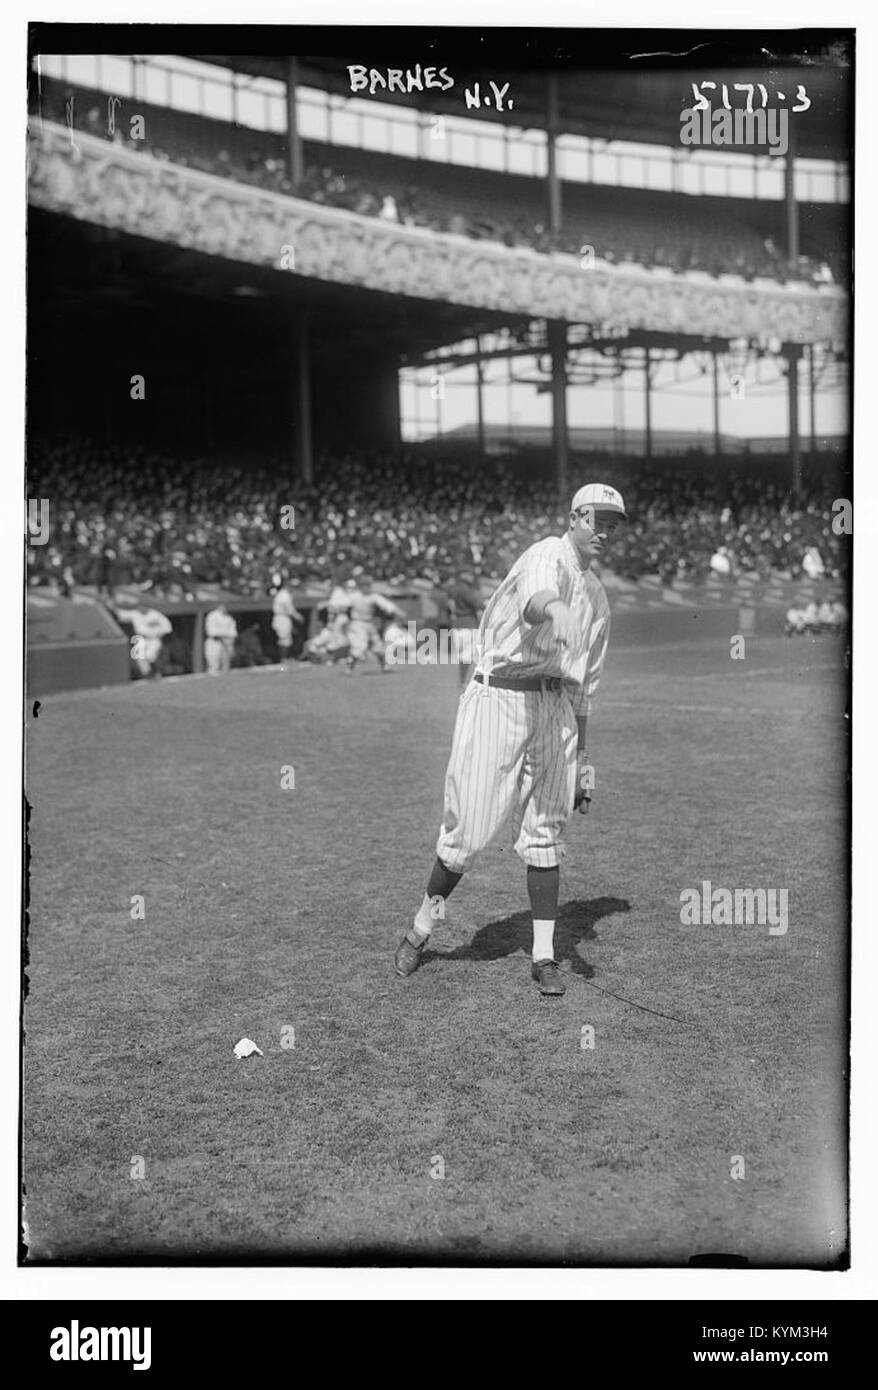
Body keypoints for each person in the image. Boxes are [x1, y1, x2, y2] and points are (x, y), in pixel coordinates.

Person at [395, 483, 625, 997]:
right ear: (574, 517)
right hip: (499, 697)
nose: (604, 531)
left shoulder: (598, 599)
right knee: (468, 832)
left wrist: (583, 759)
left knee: (546, 831)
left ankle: (544, 957)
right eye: (597, 519)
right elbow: (535, 599)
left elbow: (586, 688)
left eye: (613, 523)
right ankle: (421, 929)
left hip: (555, 707)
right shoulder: (546, 553)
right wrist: (555, 610)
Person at [344, 577, 404, 676]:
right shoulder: (353, 596)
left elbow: (386, 604)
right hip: (358, 623)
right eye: (365, 586)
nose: (367, 588)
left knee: (378, 645)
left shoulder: (373, 596)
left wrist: (398, 611)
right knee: (360, 647)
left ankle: (385, 666)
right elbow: (340, 604)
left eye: (368, 586)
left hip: (369, 623)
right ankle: (349, 668)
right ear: (360, 587)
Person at [125, 600, 173, 679]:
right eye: (140, 605)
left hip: (154, 639)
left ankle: (156, 673)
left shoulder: (155, 614)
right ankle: (146, 676)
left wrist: (157, 632)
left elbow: (168, 628)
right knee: (138, 656)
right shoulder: (135, 614)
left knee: (150, 655)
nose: (141, 607)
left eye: (143, 605)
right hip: (141, 639)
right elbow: (139, 630)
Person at [271, 581, 304, 664]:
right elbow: (290, 610)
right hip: (282, 619)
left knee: (287, 639)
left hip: (282, 618)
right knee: (284, 640)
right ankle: (283, 659)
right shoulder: (285, 595)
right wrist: (299, 617)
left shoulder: (282, 594)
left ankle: (286, 658)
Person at [204, 603, 237, 674]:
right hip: (214, 642)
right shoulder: (212, 615)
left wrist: (230, 644)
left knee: (226, 666)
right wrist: (225, 638)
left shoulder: (229, 617)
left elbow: (233, 633)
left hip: (227, 643)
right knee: (214, 666)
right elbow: (212, 632)